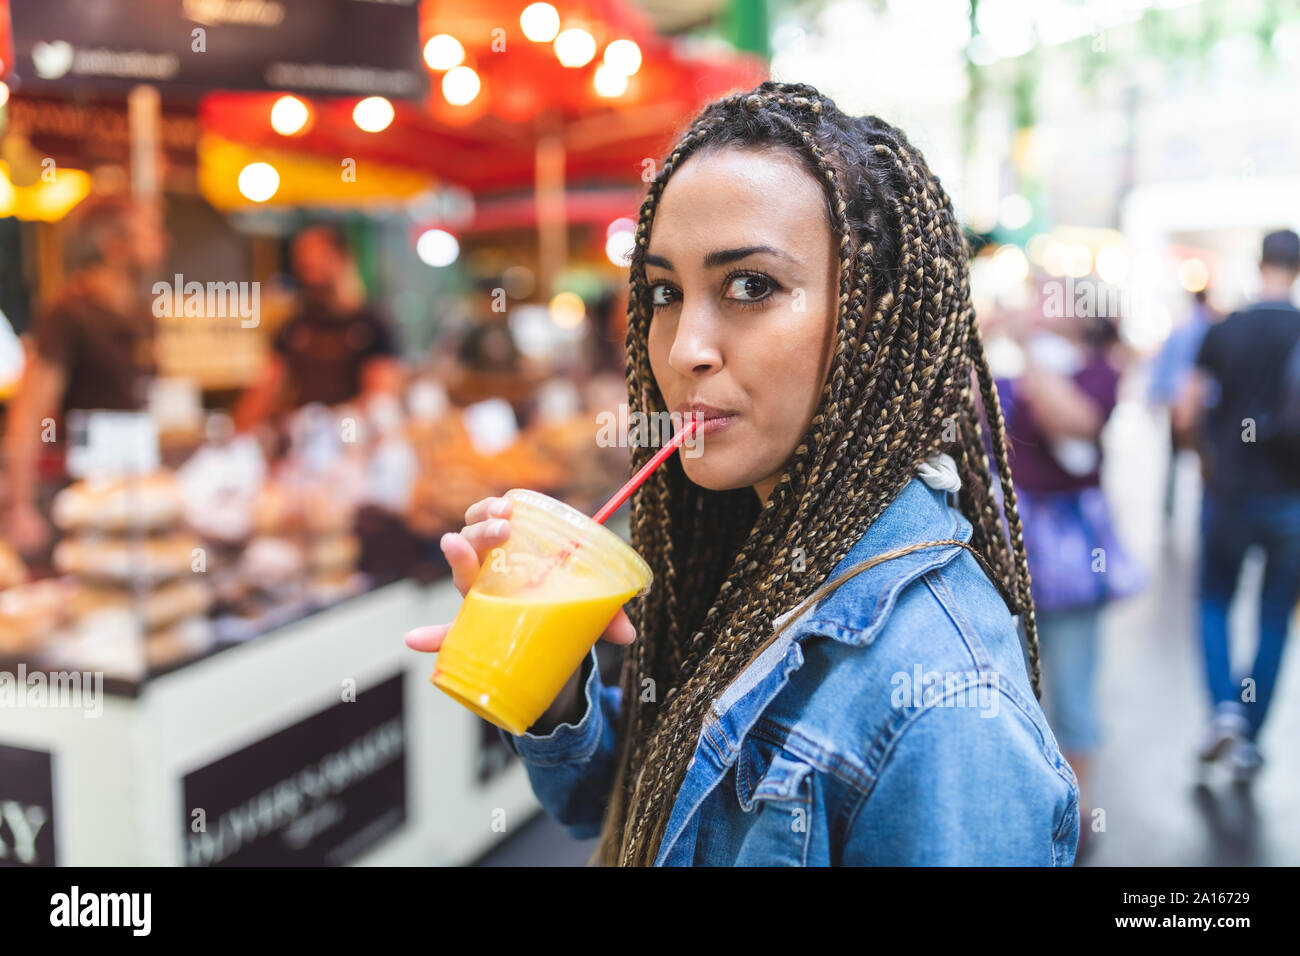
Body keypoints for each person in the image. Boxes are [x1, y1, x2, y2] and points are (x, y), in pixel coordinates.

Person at [406, 81, 1079, 866]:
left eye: (751, 286)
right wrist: (554, 683)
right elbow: (636, 804)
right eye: (664, 291)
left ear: (874, 314)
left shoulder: (946, 707)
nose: (685, 347)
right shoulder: (758, 548)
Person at [995, 300, 1143, 862]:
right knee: (1009, 682)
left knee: (1073, 683)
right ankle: (1024, 802)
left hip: (1073, 549)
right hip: (1013, 545)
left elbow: (1073, 421)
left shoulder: (1099, 371)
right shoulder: (1011, 371)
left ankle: (1076, 815)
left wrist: (1029, 350)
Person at [1177, 228, 1300, 782]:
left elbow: (1185, 412)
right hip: (1291, 501)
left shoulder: (1225, 330)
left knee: (1214, 599)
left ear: (1260, 264)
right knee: (1275, 616)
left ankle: (1225, 706)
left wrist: (1208, 462)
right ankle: (1248, 738)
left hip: (1227, 492)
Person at [3, 194, 165, 557]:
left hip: (137, 484)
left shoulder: (141, 314)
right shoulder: (69, 312)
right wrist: (21, 505)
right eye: (149, 231)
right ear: (114, 245)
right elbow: (30, 410)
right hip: (85, 495)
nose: (162, 240)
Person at [234, 224, 403, 430]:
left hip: (354, 440)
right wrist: (237, 434)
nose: (306, 270)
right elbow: (263, 389)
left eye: (315, 261)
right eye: (302, 264)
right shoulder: (294, 327)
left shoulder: (373, 324)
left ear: (342, 258)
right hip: (304, 441)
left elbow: (381, 397)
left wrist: (330, 423)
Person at [1148, 289, 1216, 525]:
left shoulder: (1183, 330)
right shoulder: (1209, 329)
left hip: (1176, 403)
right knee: (1205, 461)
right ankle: (1203, 510)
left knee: (1174, 459)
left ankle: (1169, 507)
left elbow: (1164, 368)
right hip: (1202, 405)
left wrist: (1157, 398)